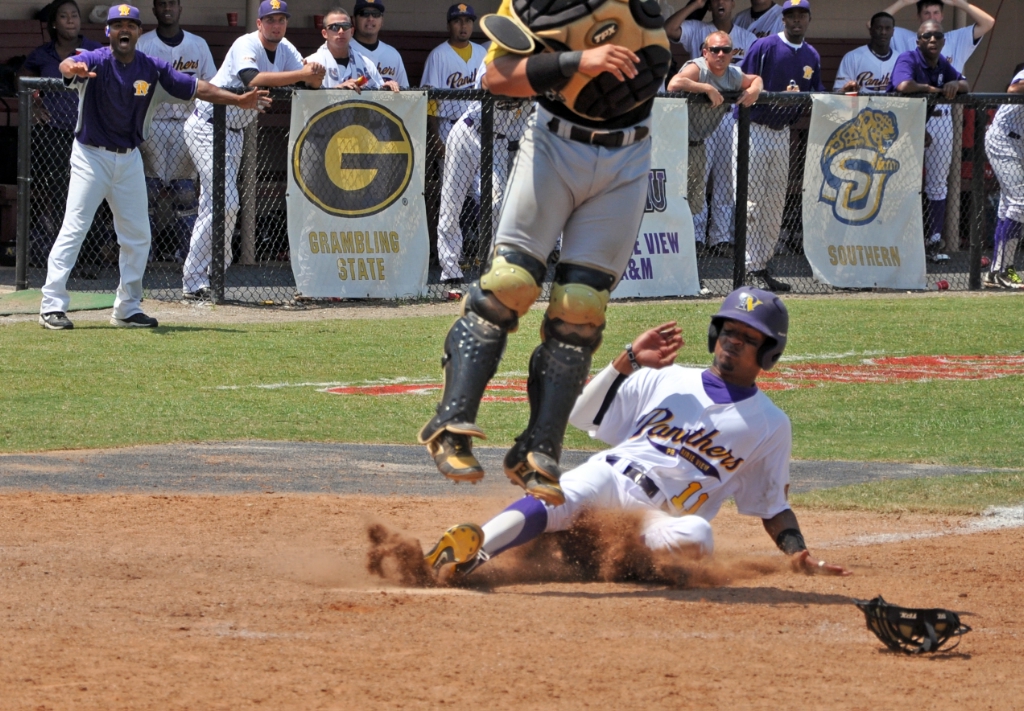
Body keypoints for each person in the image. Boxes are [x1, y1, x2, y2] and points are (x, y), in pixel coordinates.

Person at [417, 0, 671, 506]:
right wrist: (579, 63)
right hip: (556, 144)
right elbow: (496, 77)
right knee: (509, 284)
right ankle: (451, 424)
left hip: (629, 152)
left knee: (582, 307)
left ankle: (539, 449)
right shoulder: (534, 5)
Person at [422, 287, 852, 584]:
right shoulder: (666, 378)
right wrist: (626, 361)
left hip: (658, 519)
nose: (731, 341)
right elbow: (581, 414)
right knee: (553, 495)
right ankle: (467, 556)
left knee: (699, 536)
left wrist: (797, 552)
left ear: (769, 352)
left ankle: (611, 556)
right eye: (728, 330)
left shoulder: (770, 424)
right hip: (611, 476)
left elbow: (772, 505)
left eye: (747, 337)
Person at [38, 4, 269, 330]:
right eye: (117, 25)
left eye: (130, 25)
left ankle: (127, 308)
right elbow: (68, 64)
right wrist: (71, 68)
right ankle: (52, 306)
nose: (124, 30)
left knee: (137, 237)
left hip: (129, 157)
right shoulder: (95, 59)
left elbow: (197, 87)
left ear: (138, 31)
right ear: (108, 32)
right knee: (74, 229)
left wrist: (237, 99)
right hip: (91, 156)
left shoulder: (151, 66)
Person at [181, 0, 324, 301]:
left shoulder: (285, 48)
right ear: (259, 23)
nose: (276, 25)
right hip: (207, 124)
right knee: (227, 202)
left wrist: (315, 70)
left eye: (281, 20)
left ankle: (203, 278)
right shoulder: (245, 43)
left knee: (217, 205)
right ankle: (202, 275)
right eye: (270, 20)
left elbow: (311, 80)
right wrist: (301, 73)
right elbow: (253, 79)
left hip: (235, 132)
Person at [738, 0, 823, 293]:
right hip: (754, 128)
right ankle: (746, 268)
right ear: (783, 19)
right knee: (751, 201)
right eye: (791, 16)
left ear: (809, 19)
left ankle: (761, 267)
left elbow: (817, 95)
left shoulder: (811, 54)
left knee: (775, 202)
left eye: (801, 15)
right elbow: (742, 82)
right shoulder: (765, 46)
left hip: (782, 132)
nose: (796, 20)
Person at [665, 0, 757, 256]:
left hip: (726, 115)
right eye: (715, 49)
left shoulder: (745, 38)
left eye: (726, 50)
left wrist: (754, 89)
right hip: (690, 126)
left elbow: (752, 77)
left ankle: (720, 239)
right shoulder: (698, 31)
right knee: (692, 186)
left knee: (725, 180)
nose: (720, 54)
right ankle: (692, 239)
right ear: (705, 51)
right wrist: (694, 4)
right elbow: (669, 30)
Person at [22, 0, 105, 266]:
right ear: (54, 23)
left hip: (89, 132)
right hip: (55, 133)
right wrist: (34, 103)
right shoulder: (42, 54)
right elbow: (22, 79)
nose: (70, 20)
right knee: (61, 194)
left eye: (74, 16)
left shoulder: (94, 50)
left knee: (92, 193)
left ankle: (89, 258)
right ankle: (65, 258)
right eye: (64, 16)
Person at [136, 0, 217, 263]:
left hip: (187, 122)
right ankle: (144, 255)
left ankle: (189, 256)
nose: (167, 8)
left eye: (172, 3)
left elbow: (210, 84)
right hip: (154, 122)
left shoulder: (198, 44)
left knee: (185, 194)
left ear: (180, 8)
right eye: (162, 4)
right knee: (147, 192)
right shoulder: (144, 43)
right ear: (154, 10)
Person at [436, 66, 529, 287]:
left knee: (497, 205)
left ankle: (492, 268)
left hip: (498, 141)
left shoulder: (536, 70)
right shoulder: (496, 57)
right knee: (451, 205)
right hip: (467, 133)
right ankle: (451, 274)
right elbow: (488, 83)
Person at [887, 21, 969, 263]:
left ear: (943, 41)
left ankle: (933, 241)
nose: (932, 40)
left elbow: (965, 83)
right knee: (897, 184)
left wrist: (955, 83)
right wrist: (934, 89)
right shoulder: (909, 58)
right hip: (899, 127)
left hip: (932, 122)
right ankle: (894, 241)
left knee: (937, 185)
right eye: (927, 36)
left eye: (937, 36)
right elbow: (903, 85)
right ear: (918, 40)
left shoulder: (942, 62)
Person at [420, 4, 487, 148]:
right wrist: (435, 137)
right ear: (448, 26)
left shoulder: (482, 53)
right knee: (448, 171)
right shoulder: (438, 55)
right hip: (449, 126)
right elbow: (430, 100)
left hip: (478, 127)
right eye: (457, 21)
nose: (464, 26)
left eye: (468, 21)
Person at [982, 67, 1024, 289]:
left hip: (1020, 143)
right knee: (1021, 202)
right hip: (1004, 138)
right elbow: (1014, 88)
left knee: (1009, 206)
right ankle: (1004, 270)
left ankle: (994, 272)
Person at [881, 0, 994, 71]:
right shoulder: (905, 38)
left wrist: (959, 3)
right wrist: (902, 2)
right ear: (919, 17)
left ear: (942, 16)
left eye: (936, 13)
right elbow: (873, 25)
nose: (932, 17)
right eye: (927, 13)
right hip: (912, 107)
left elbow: (988, 23)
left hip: (943, 107)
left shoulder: (954, 39)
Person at [305, 7, 398, 92]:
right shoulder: (312, 63)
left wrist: (387, 88)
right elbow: (304, 101)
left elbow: (378, 94)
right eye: (334, 27)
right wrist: (336, 91)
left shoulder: (366, 64)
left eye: (345, 26)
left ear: (352, 31)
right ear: (324, 33)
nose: (341, 31)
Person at [834, 12, 898, 94]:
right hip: (860, 106)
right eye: (879, 28)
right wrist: (845, 90)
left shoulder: (900, 58)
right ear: (871, 31)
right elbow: (838, 92)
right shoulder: (852, 57)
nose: (883, 32)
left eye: (887, 28)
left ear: (893, 32)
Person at [351, 0, 409, 89]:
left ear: (382, 21)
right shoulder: (343, 50)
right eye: (364, 13)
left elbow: (406, 93)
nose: (370, 18)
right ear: (354, 20)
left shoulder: (393, 54)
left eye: (376, 14)